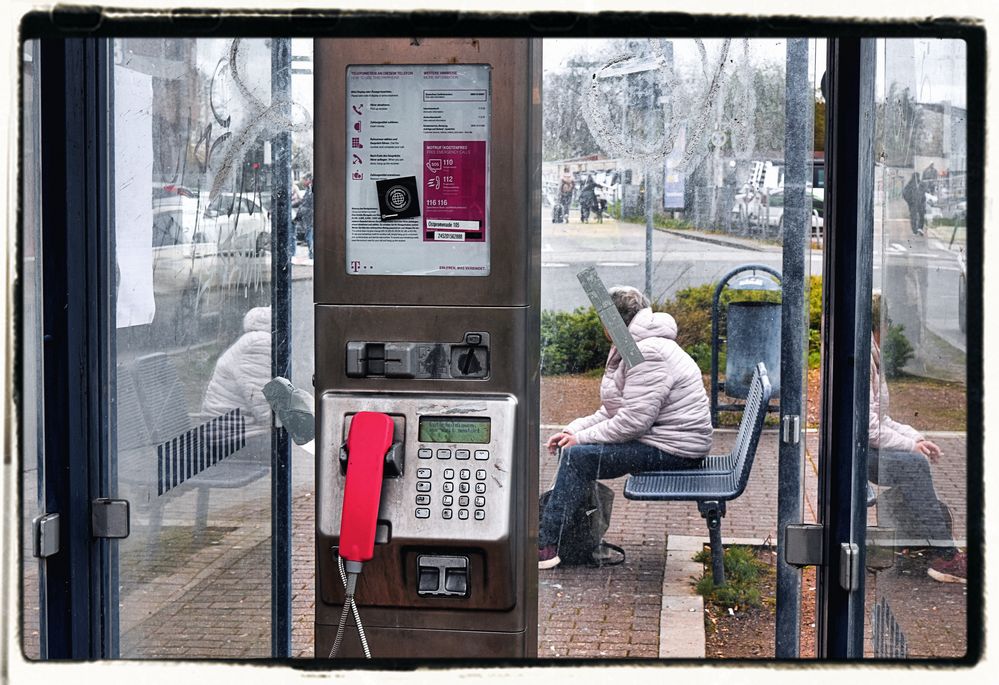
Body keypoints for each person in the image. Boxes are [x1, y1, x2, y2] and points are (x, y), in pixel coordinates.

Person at [538, 287, 713, 569]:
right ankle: (572, 540)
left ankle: (546, 544)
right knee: (576, 451)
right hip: (665, 441)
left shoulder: (647, 352)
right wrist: (573, 431)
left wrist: (580, 440)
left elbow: (632, 422)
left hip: (674, 450)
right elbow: (612, 411)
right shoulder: (633, 345)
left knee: (578, 458)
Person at [868, 292, 965, 583]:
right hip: (856, 453)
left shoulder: (871, 354)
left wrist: (916, 437)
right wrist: (912, 446)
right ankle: (946, 556)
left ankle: (930, 542)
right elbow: (870, 429)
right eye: (887, 320)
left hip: (861, 447)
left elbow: (880, 418)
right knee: (914, 465)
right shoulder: (864, 360)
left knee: (914, 463)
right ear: (879, 323)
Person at [201, 307, 273, 439]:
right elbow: (264, 410)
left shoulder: (254, 340)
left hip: (231, 428)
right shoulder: (260, 343)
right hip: (230, 435)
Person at [293, 173, 314, 264]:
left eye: (304, 180)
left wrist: (298, 216)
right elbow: (303, 202)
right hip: (309, 218)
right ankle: (311, 254)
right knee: (309, 236)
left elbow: (305, 204)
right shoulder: (309, 189)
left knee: (309, 236)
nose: (303, 182)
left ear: (309, 180)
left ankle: (312, 255)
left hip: (310, 218)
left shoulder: (311, 190)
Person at [902, 172, 926, 236]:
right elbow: (904, 193)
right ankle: (914, 230)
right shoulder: (910, 185)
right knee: (913, 217)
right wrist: (910, 201)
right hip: (913, 203)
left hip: (920, 203)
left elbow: (924, 193)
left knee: (921, 216)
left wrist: (923, 200)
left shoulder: (921, 184)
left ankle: (920, 228)